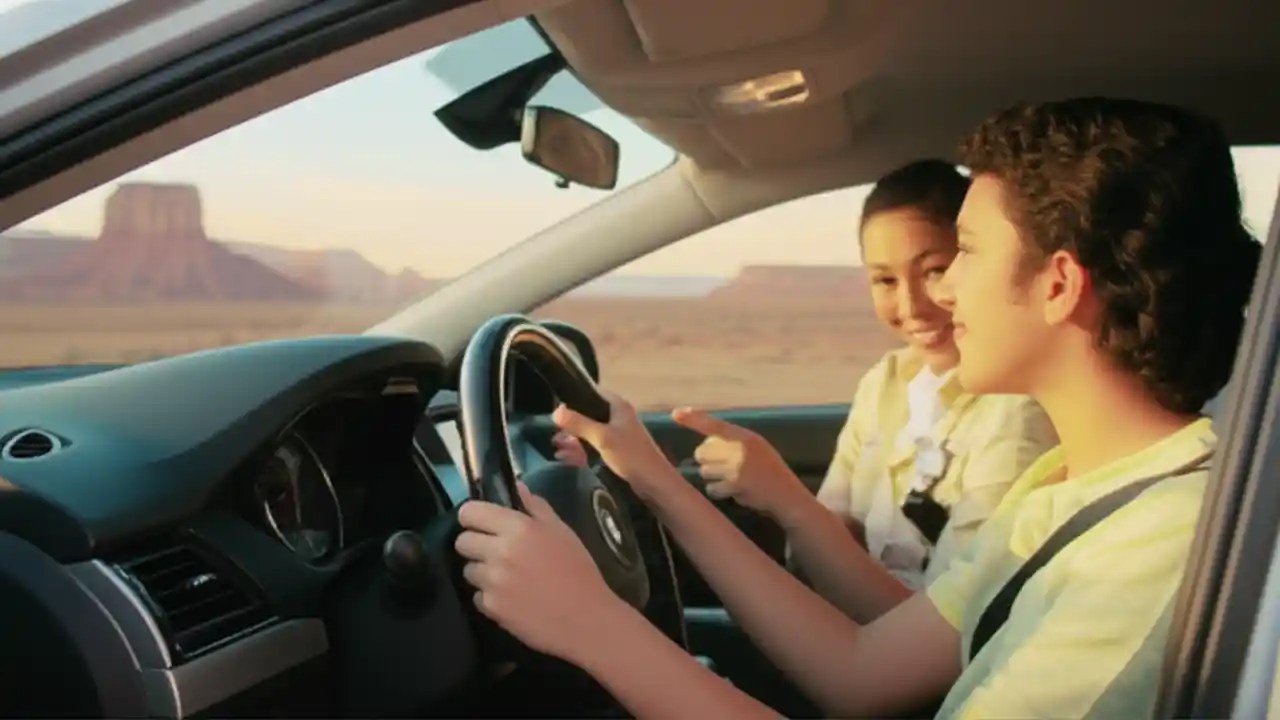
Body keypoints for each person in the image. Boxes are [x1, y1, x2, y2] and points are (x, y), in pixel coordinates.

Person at [454, 97, 1261, 718]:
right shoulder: (1071, 482)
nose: (941, 292)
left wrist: (588, 622)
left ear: (1057, 285)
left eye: (965, 254)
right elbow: (858, 672)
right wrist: (657, 482)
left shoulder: (1160, 545)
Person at [557, 159, 1057, 621]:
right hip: (848, 628)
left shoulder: (1017, 414)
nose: (914, 305)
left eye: (935, 271)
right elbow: (827, 540)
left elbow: (938, 640)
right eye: (884, 280)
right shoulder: (888, 382)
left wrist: (788, 500)